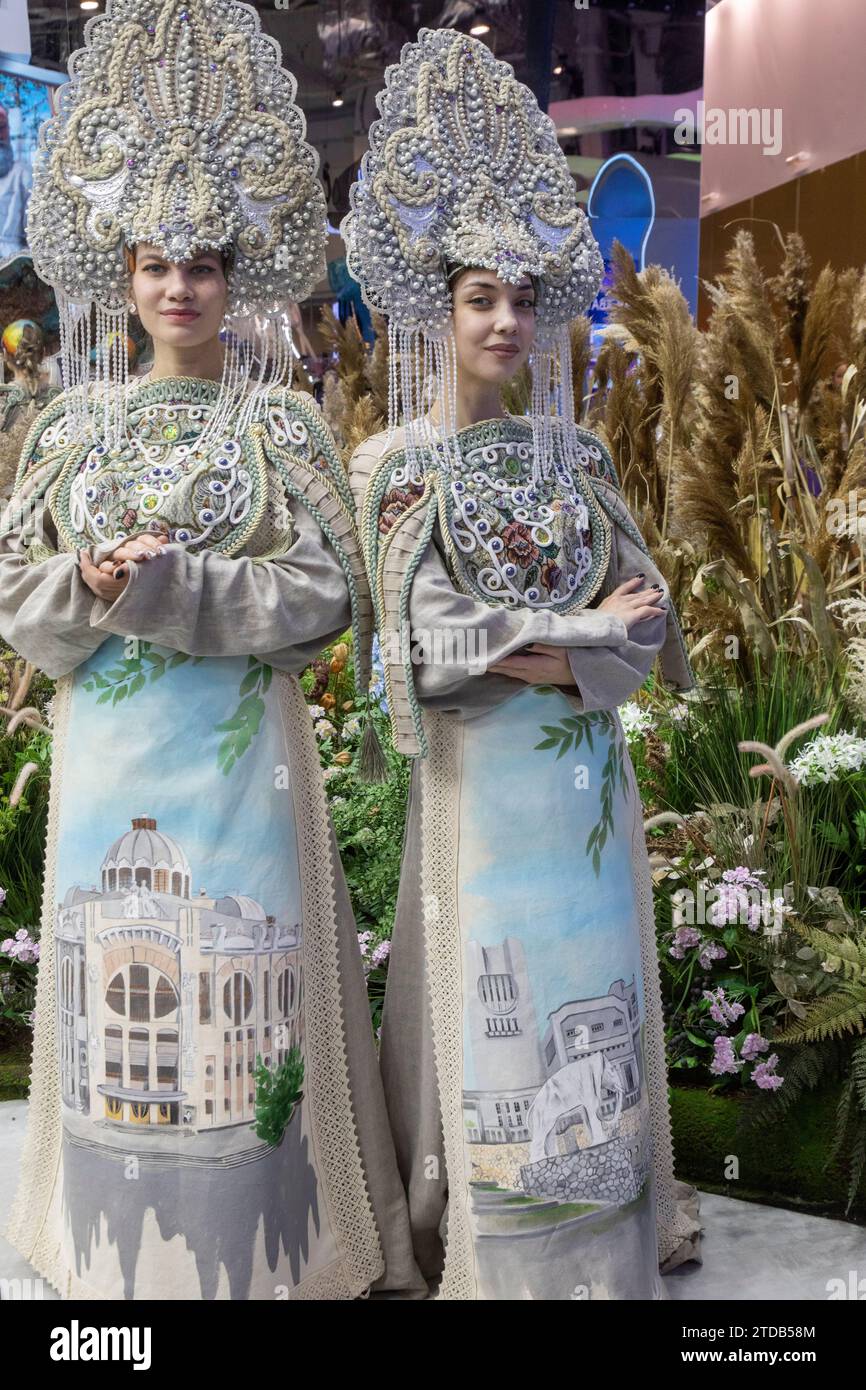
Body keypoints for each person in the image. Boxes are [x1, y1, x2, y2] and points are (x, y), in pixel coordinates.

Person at [1, 0, 424, 1301]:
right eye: (153, 263)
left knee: (250, 1023)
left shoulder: (281, 427)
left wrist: (184, 587)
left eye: (201, 262)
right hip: (111, 764)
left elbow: (326, 597)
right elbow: (16, 595)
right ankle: (117, 1276)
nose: (178, 285)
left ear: (234, 278)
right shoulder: (68, 430)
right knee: (116, 1003)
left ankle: (270, 1261)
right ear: (119, 279)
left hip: (244, 782)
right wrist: (81, 576)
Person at [342, 27, 702, 1299]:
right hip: (477, 799)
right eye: (475, 297)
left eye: (518, 297)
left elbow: (650, 626)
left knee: (587, 981)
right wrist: (578, 643)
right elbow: (423, 654)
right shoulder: (394, 467)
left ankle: (607, 1225)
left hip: (582, 803)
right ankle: (476, 1234)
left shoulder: (584, 464)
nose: (500, 319)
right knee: (486, 1010)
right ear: (437, 309)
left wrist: (578, 653)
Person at [0, 319, 59, 499]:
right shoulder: (60, 399)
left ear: (4, 355)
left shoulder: (3, 399)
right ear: (43, 354)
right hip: (45, 502)